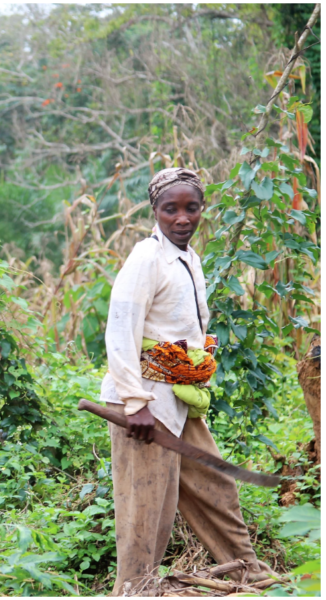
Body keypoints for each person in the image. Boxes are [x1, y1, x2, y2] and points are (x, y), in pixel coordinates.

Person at [101, 167, 273, 594]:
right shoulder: (147, 258)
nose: (182, 218)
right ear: (154, 211)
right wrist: (134, 403)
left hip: (177, 398)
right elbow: (120, 328)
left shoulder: (190, 258)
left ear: (201, 210)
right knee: (146, 508)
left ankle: (250, 573)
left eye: (191, 208)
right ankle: (135, 589)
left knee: (214, 484)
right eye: (170, 209)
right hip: (143, 403)